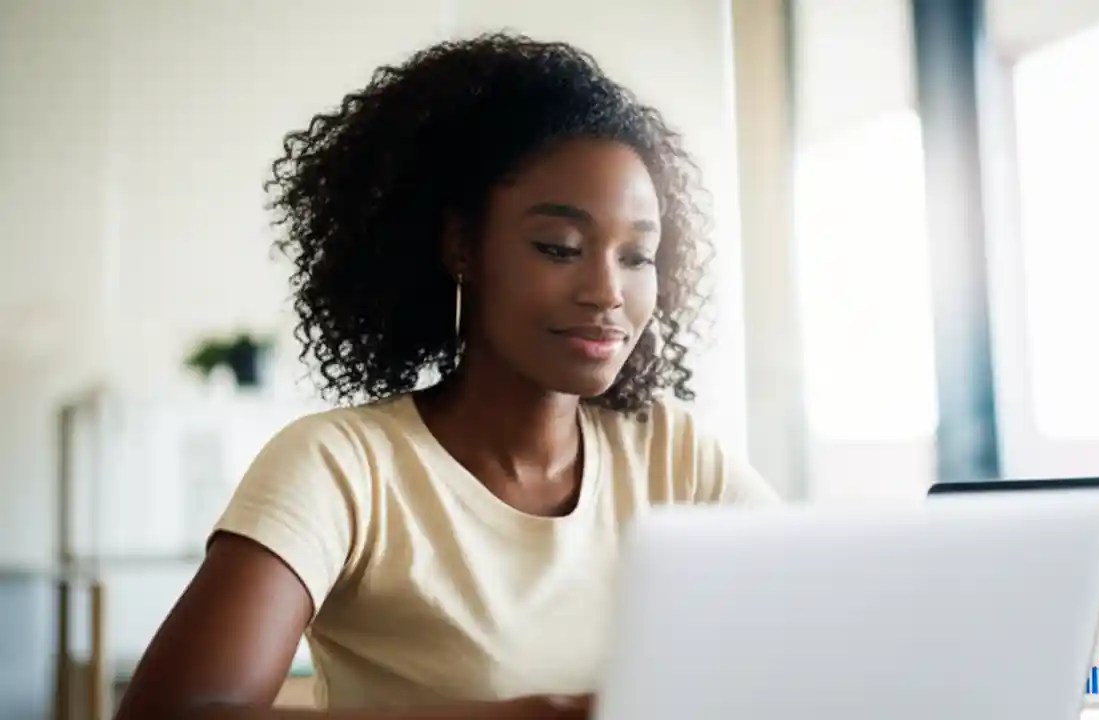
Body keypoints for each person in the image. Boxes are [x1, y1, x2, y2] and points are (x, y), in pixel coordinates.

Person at [114, 33, 777, 720]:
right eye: (561, 248)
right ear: (462, 248)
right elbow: (173, 711)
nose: (608, 292)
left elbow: (821, 624)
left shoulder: (673, 457)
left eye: (639, 256)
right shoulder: (344, 468)